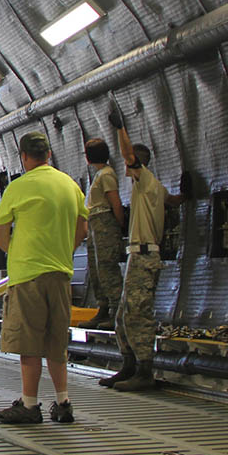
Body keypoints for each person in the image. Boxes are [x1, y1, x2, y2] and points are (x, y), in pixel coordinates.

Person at [0, 131, 88, 424]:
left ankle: (30, 405)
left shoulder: (18, 187)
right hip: (60, 273)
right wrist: (61, 251)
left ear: (23, 157)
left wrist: (17, 252)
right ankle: (63, 403)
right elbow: (82, 229)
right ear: (49, 155)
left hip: (27, 275)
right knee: (56, 342)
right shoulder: (70, 186)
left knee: (29, 342)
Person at [103, 108, 188, 391]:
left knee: (137, 314)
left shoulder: (145, 179)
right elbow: (172, 201)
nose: (126, 168)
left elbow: (129, 155)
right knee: (122, 315)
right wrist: (186, 195)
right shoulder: (154, 188)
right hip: (137, 257)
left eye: (129, 164)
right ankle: (128, 365)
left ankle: (144, 371)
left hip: (144, 256)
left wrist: (120, 129)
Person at [79, 138, 125, 330]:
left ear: (88, 158)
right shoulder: (100, 175)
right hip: (96, 225)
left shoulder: (106, 175)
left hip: (105, 223)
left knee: (107, 267)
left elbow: (115, 203)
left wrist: (119, 227)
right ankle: (103, 307)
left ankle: (117, 311)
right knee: (96, 268)